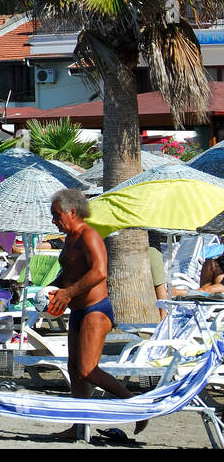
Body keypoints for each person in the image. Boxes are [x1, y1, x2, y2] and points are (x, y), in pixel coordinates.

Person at [45, 188, 145, 441]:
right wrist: (51, 290)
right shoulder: (69, 239)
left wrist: (68, 293)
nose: (54, 221)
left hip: (95, 310)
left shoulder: (89, 235)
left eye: (56, 215)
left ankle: (136, 406)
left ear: (73, 212)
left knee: (88, 370)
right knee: (74, 369)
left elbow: (100, 272)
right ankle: (79, 426)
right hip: (78, 310)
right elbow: (70, 273)